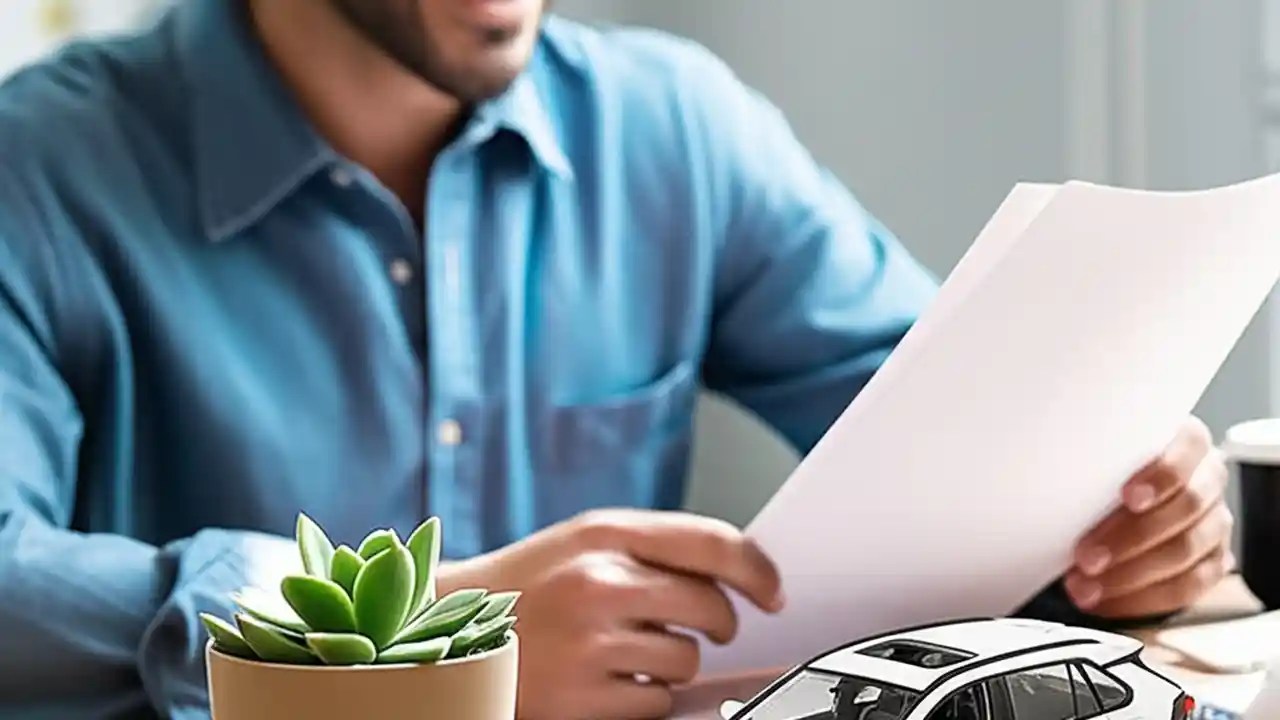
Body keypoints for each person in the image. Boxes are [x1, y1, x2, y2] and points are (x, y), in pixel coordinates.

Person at [0, 1, 1234, 718]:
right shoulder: (40, 170)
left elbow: (947, 437)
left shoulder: (673, 130)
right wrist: (418, 652)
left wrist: (1108, 519)